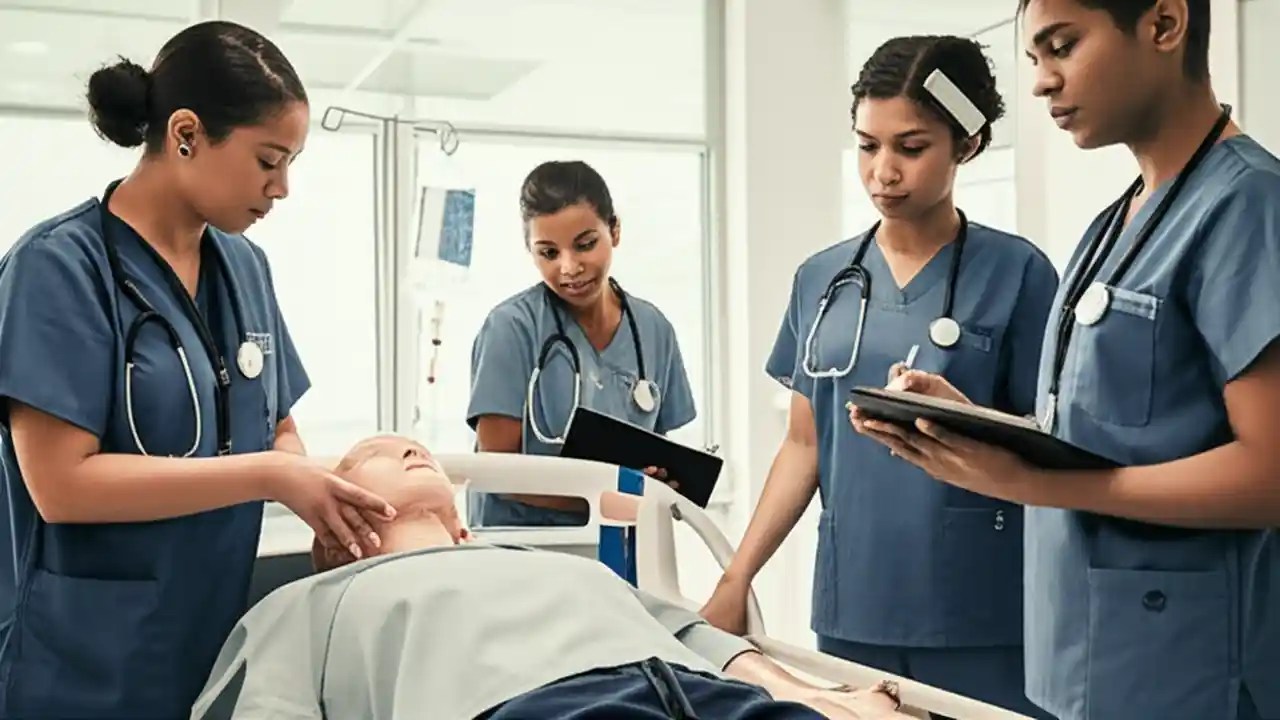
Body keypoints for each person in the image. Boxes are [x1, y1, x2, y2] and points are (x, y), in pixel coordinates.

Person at [851, 1, 1280, 719]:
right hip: (1083, 658)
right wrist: (976, 424)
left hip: (1188, 669)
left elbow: (1271, 474)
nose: (1044, 82)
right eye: (1033, 60)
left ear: (1165, 24)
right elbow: (1106, 428)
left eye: (1062, 46)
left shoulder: (1248, 208)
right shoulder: (1114, 226)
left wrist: (1031, 484)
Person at [0, 21, 395, 718]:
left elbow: (277, 428)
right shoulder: (58, 269)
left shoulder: (244, 268)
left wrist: (326, 499)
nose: (282, 189)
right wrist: (273, 475)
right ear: (186, 134)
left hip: (210, 646)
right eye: (269, 160)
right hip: (79, 662)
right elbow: (61, 486)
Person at [700, 35, 1059, 719]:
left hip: (981, 609)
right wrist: (736, 577)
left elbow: (1050, 440)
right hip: (854, 605)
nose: (883, 172)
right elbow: (804, 447)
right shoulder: (822, 280)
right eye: (868, 146)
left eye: (911, 147)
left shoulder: (1020, 274)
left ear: (968, 145)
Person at [192, 434, 918, 720]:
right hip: (536, 707)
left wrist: (820, 700)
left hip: (699, 696)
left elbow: (695, 635)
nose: (410, 447)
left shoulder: (542, 565)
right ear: (334, 528)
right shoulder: (317, 601)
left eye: (415, 446)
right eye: (380, 451)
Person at [466, 160, 697, 527]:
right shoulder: (511, 328)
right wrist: (605, 497)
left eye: (585, 245)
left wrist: (657, 484)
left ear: (615, 230)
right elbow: (495, 470)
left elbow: (656, 458)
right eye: (549, 253)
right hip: (521, 555)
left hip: (618, 554)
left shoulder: (654, 330)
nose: (569, 268)